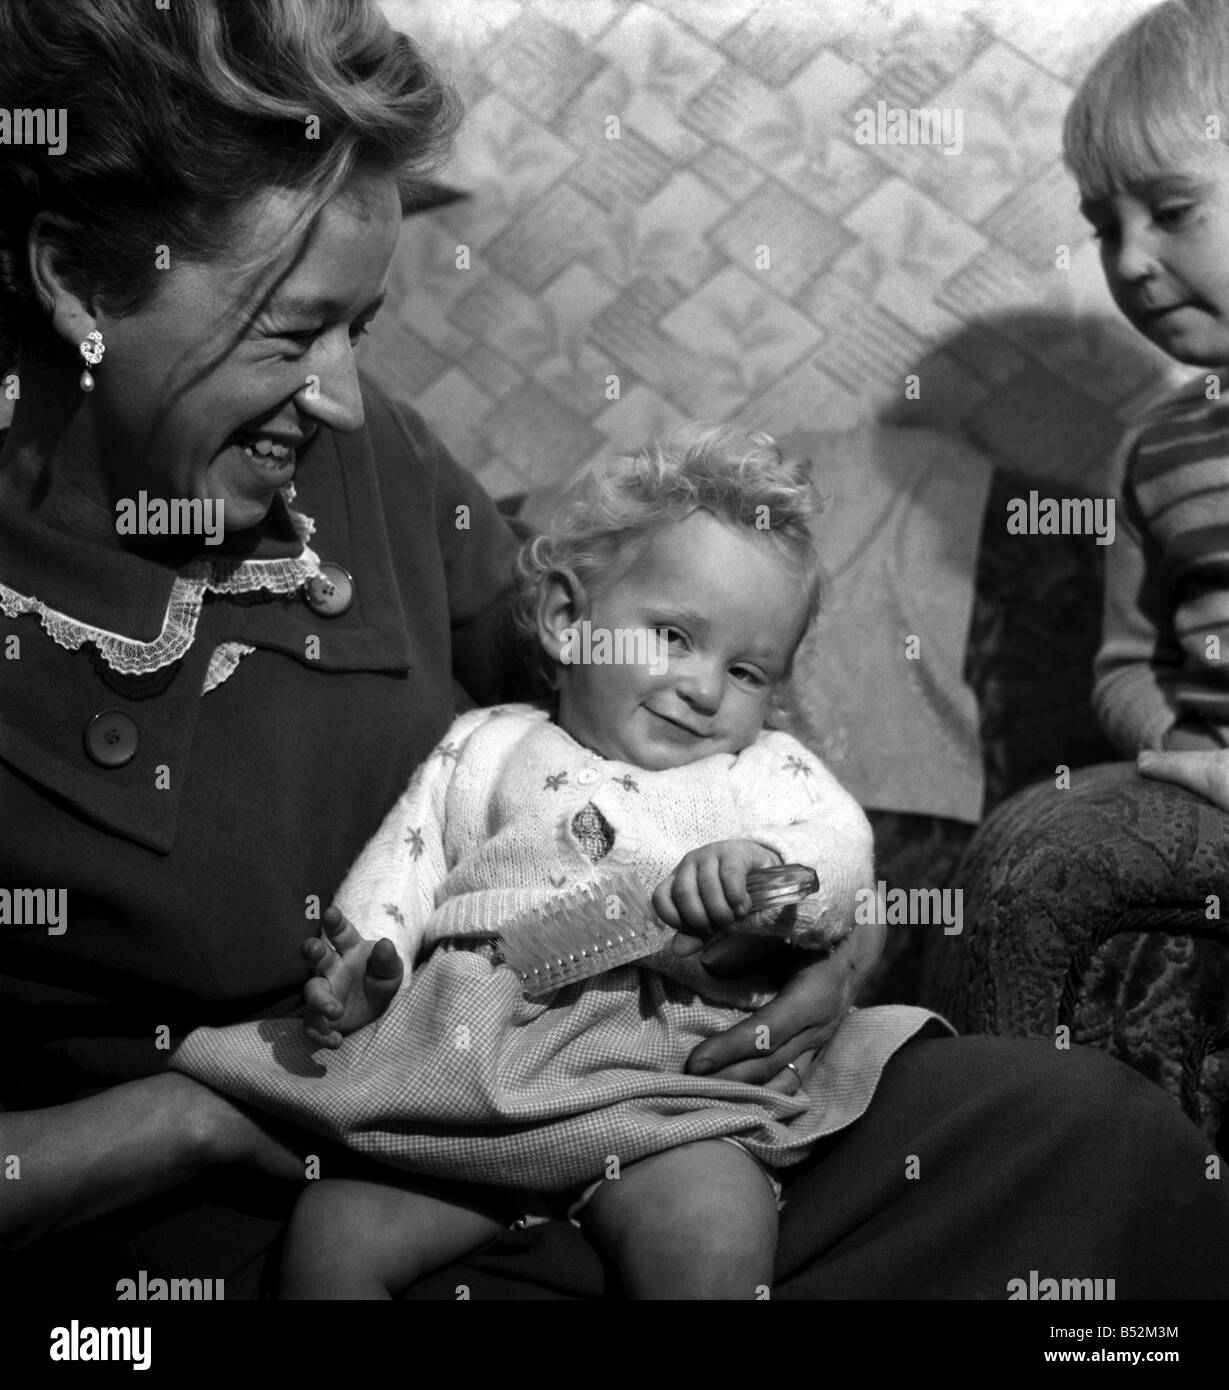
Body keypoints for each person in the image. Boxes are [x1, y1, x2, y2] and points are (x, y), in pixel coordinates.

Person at [2, 0, 1228, 1306]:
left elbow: (618, 711)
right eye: (290, 332)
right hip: (217, 1223)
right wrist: (183, 1115)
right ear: (79, 279)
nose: (345, 399)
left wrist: (809, 948)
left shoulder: (374, 462)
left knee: (1091, 1142)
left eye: (358, 333)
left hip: (605, 1094)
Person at [173, 424, 944, 1300]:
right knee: (330, 1243)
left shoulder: (766, 768)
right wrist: (367, 965)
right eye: (674, 637)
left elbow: (840, 860)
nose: (705, 688)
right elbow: (407, 859)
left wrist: (761, 870)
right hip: (462, 1070)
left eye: (748, 670)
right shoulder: (488, 743)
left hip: (662, 1085)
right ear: (569, 620)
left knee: (712, 1242)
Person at [1068, 0, 1229, 811]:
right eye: (1103, 227)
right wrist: (1181, 746)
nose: (1129, 261)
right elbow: (1129, 668)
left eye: (1171, 213)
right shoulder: (1152, 452)